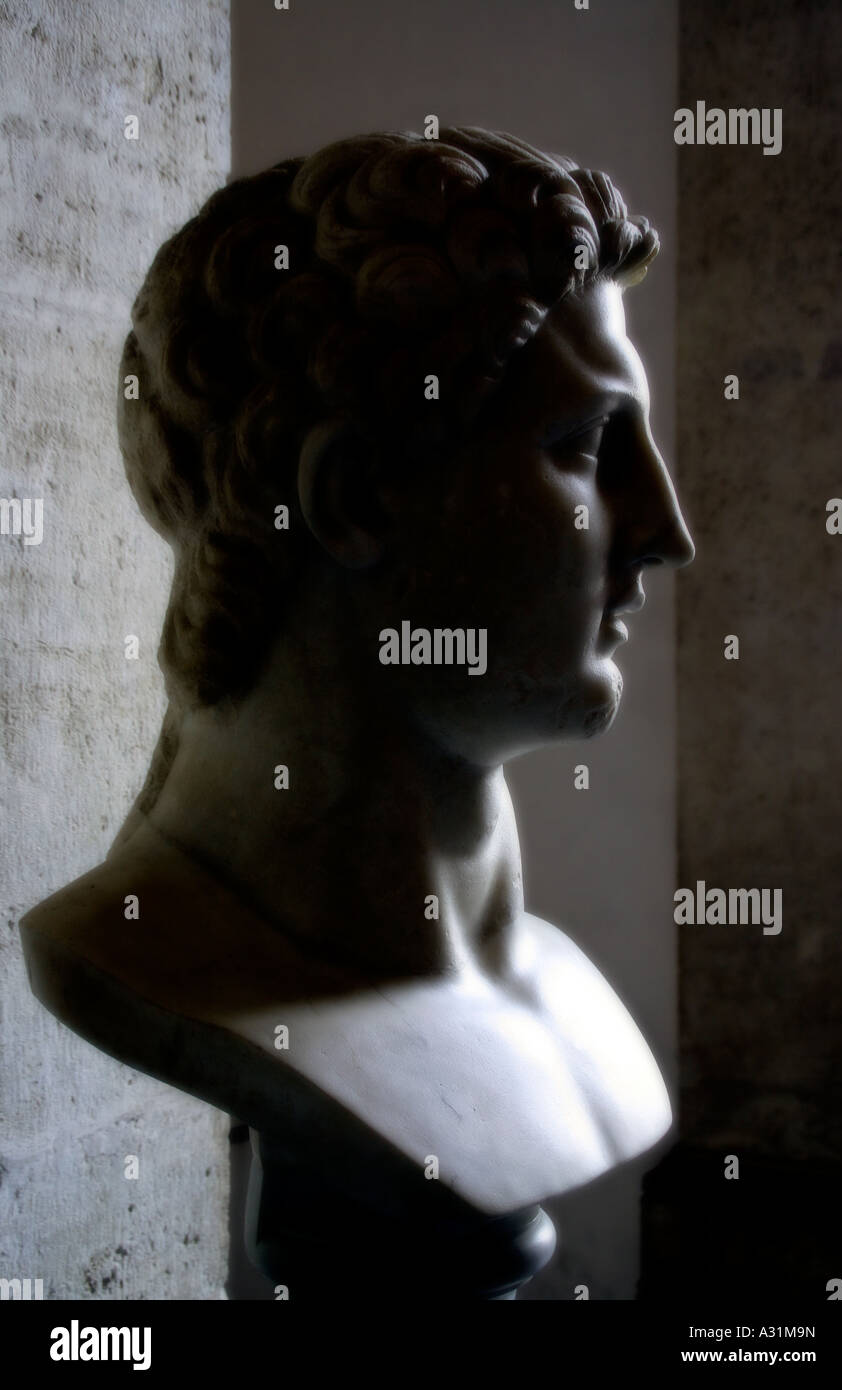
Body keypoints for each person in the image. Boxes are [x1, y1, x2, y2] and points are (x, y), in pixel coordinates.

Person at [21, 127, 695, 1225]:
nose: (664, 533)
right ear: (349, 497)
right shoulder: (143, 959)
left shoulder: (556, 988)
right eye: (580, 444)